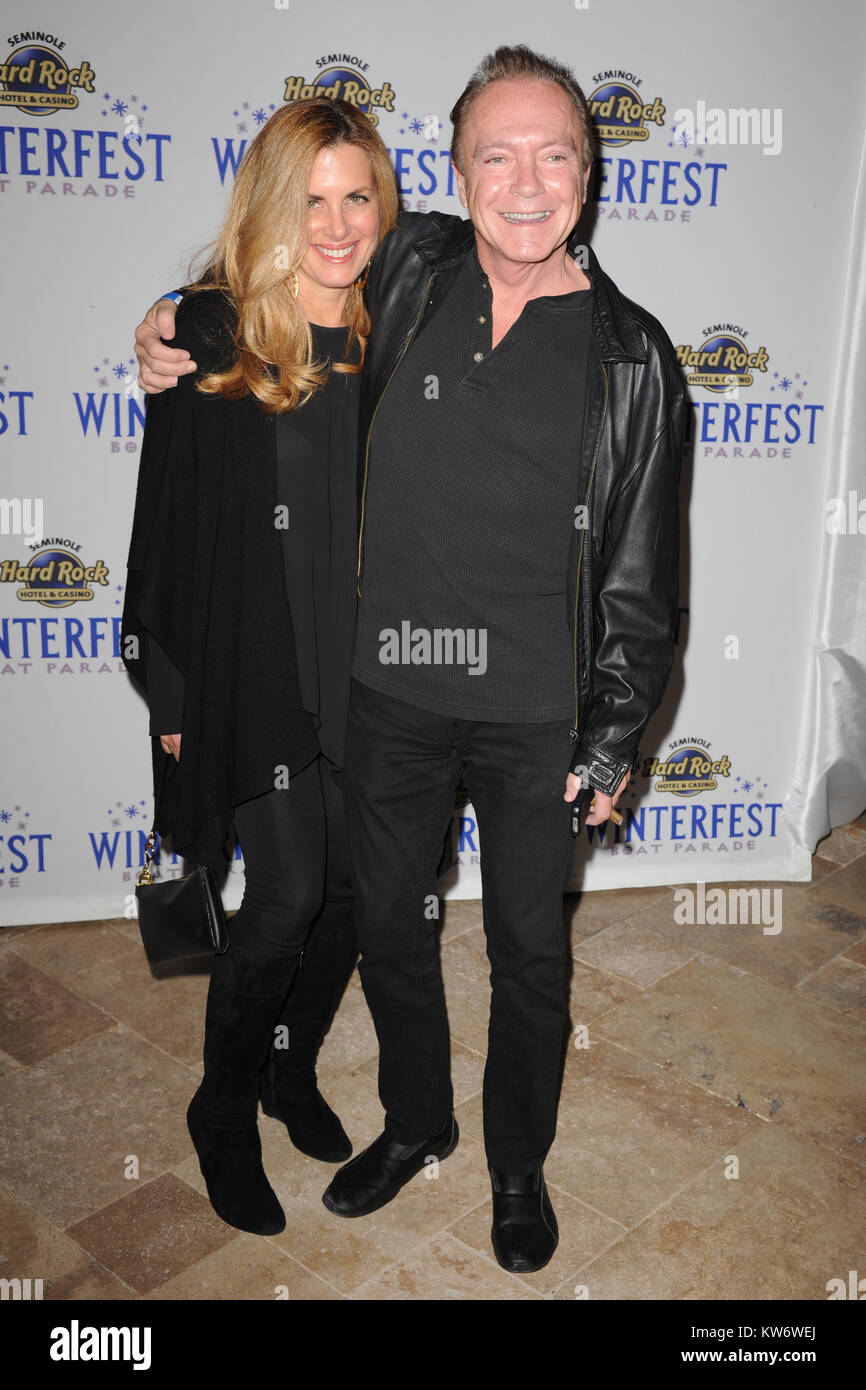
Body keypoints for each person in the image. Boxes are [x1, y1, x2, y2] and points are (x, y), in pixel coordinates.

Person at [133, 44, 686, 1274]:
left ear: (587, 178)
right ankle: (415, 1121)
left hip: (537, 716)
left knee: (527, 958)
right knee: (386, 927)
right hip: (384, 697)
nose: (526, 183)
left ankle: (515, 1167)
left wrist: (609, 738)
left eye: (555, 156)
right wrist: (170, 323)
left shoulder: (632, 357)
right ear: (455, 175)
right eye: (497, 155)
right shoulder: (416, 268)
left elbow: (645, 584)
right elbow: (281, 260)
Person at [122, 97, 399, 1237]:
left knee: (345, 894)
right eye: (308, 199)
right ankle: (220, 1105)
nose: (335, 224)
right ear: (268, 209)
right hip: (255, 669)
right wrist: (177, 698)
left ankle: (290, 1068)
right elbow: (165, 531)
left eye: (356, 195)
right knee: (283, 892)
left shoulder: (408, 322)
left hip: (373, 675)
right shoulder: (217, 336)